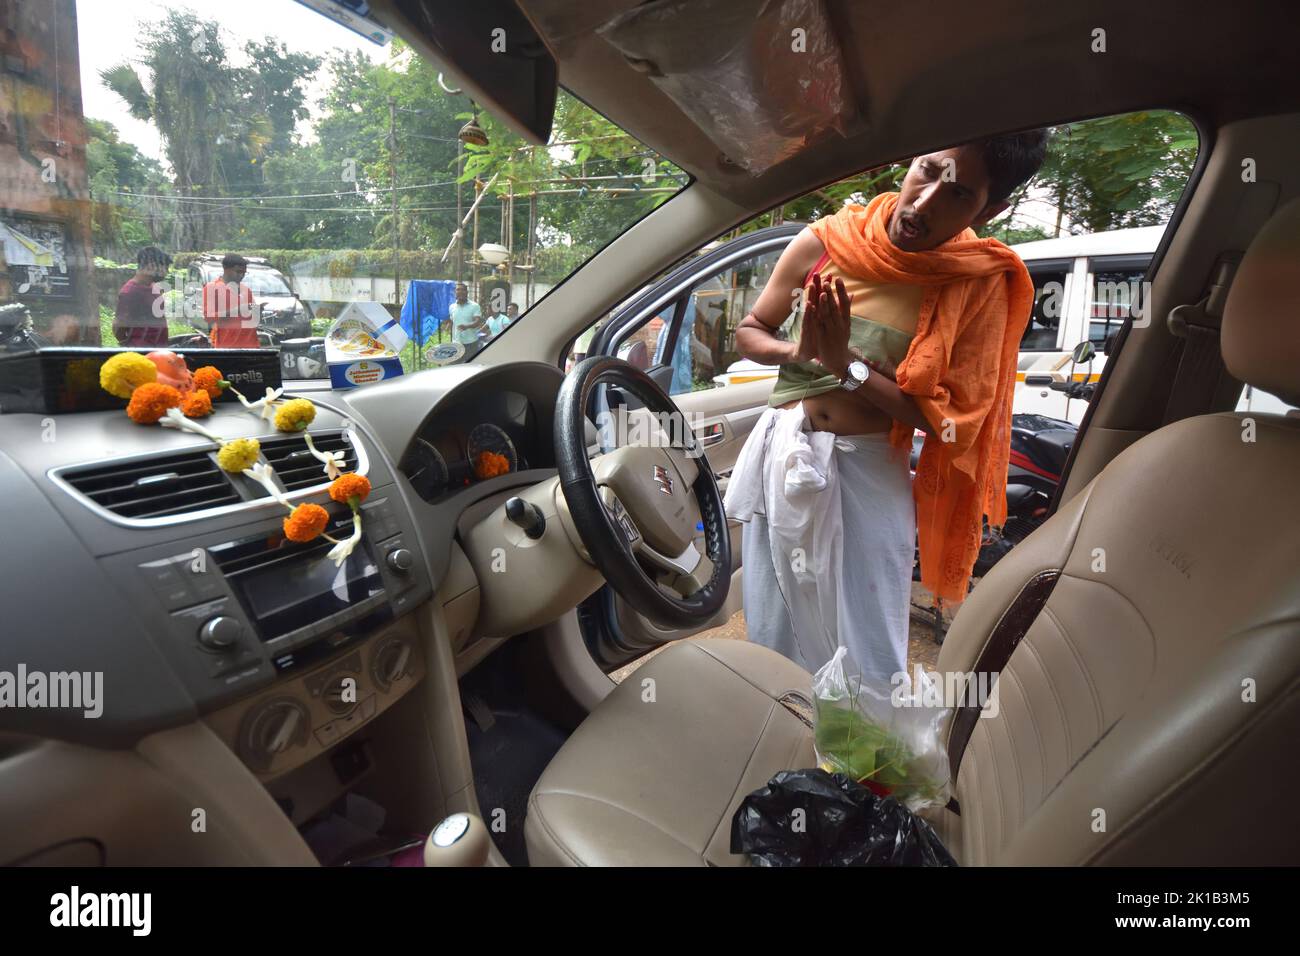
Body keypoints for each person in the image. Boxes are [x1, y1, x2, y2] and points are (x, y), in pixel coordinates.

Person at [726, 130, 1048, 681]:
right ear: (913, 158)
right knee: (775, 623)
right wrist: (799, 350)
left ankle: (863, 760)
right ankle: (781, 740)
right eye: (926, 171)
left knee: (868, 640)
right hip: (783, 458)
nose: (922, 204)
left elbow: (950, 425)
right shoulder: (828, 240)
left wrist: (844, 366)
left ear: (991, 209)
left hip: (870, 472)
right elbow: (751, 330)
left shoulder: (977, 283)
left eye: (958, 194)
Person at [113, 246, 171, 348]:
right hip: (143, 352)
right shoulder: (129, 292)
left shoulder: (153, 286)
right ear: (151, 266)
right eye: (165, 268)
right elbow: (119, 329)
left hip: (158, 350)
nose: (167, 272)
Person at [202, 253, 259, 349]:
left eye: (244, 273)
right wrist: (236, 311)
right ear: (225, 269)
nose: (241, 276)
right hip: (226, 345)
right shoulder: (212, 288)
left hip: (251, 345)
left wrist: (258, 311)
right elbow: (209, 317)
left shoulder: (246, 290)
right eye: (238, 272)